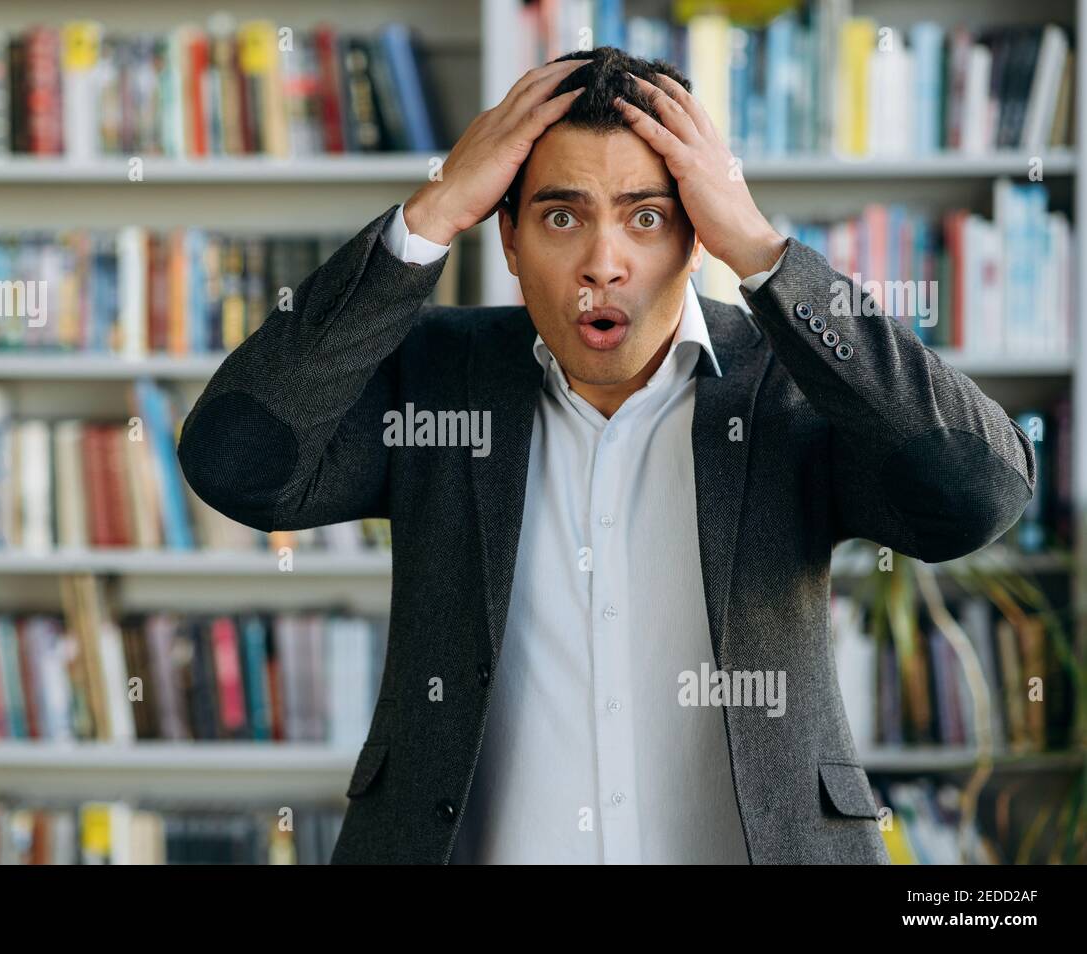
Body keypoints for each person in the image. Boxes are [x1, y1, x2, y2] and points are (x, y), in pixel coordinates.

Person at [177, 46, 1035, 864]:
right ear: (508, 240)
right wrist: (428, 215)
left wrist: (763, 253)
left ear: (695, 235)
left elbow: (977, 491)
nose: (602, 263)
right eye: (560, 216)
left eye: (648, 216)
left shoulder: (791, 389)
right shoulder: (436, 382)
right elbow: (236, 461)